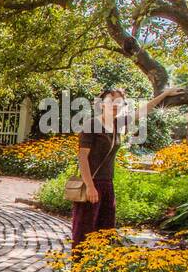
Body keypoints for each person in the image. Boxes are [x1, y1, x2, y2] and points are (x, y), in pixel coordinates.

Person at [72, 86, 178, 246]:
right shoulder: (91, 125)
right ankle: (79, 267)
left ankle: (98, 267)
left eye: (119, 102)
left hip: (108, 184)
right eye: (110, 101)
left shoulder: (117, 124)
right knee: (84, 229)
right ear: (101, 104)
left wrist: (165, 93)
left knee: (106, 230)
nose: (115, 105)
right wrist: (89, 186)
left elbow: (143, 111)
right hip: (92, 183)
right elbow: (82, 157)